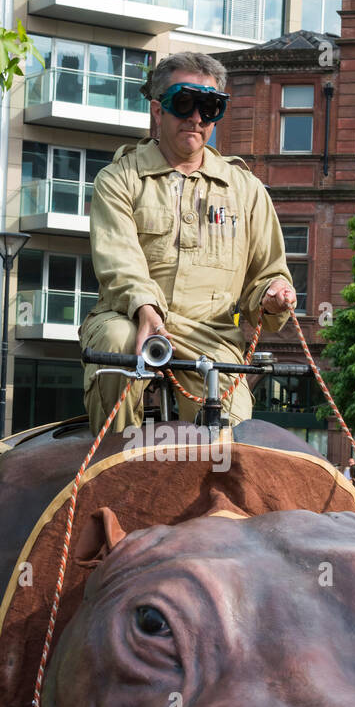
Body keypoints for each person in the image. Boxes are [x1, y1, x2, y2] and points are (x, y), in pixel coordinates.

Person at [79, 51, 297, 435]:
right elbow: (119, 262)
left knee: (235, 438)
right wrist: (146, 310)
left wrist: (274, 294)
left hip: (211, 337)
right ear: (157, 110)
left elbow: (267, 273)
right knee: (117, 340)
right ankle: (111, 468)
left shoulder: (245, 190)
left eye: (210, 107)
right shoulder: (118, 179)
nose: (196, 117)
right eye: (184, 103)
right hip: (130, 320)